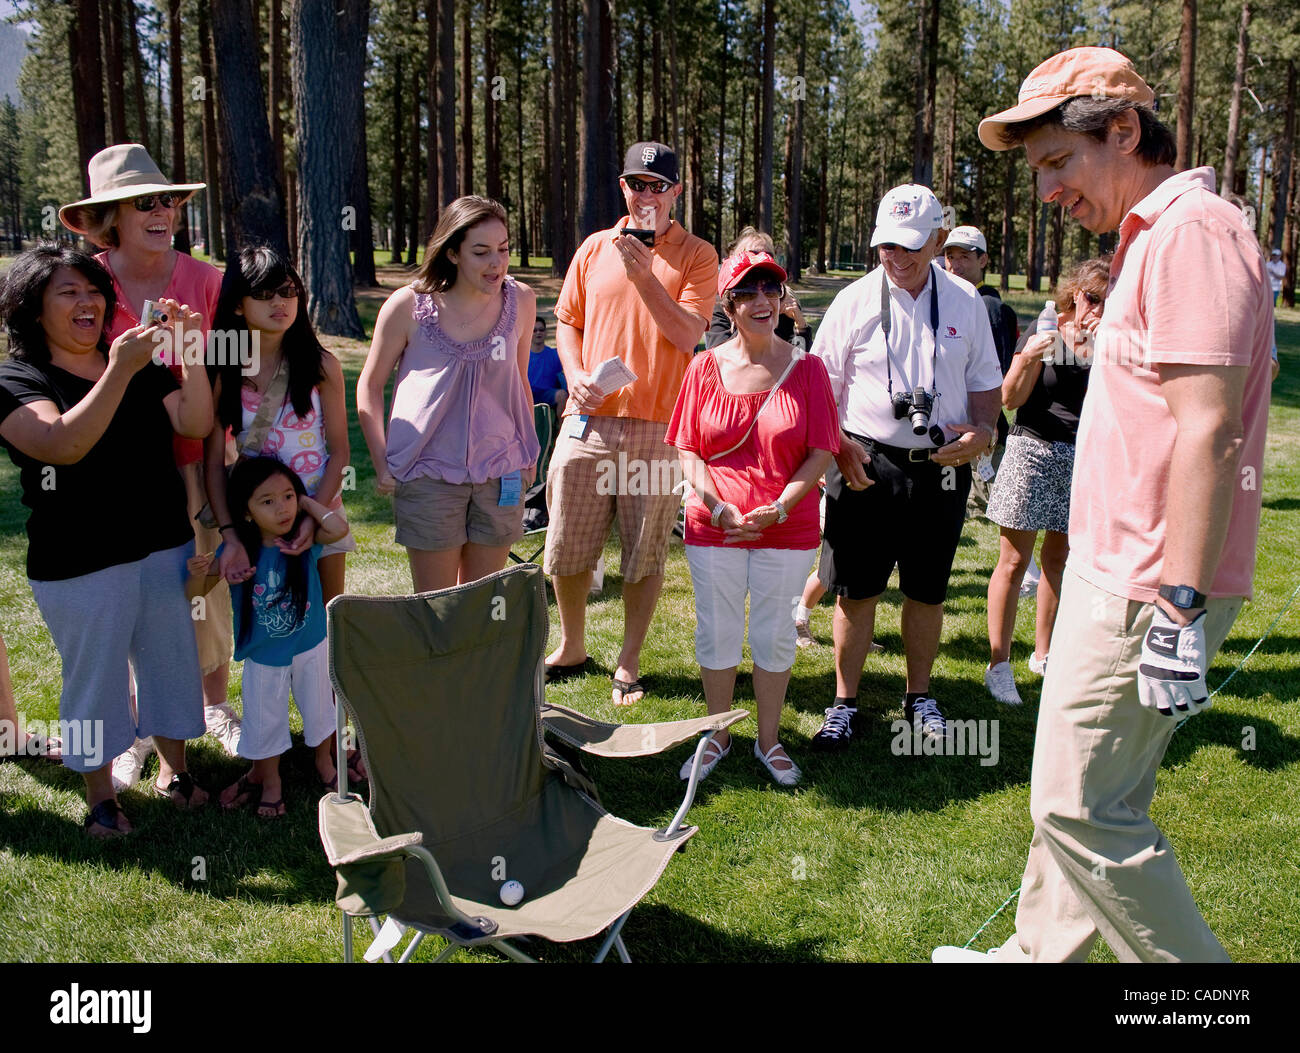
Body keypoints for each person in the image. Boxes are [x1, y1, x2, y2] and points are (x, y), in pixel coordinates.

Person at [935, 46, 1273, 963]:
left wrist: (1178, 608)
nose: (1046, 190)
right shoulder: (1153, 237)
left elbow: (1210, 430)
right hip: (1109, 563)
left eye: (1057, 163)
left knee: (1081, 808)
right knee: (1075, 795)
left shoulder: (1194, 231)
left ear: (1122, 131)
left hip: (1148, 581)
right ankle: (1036, 957)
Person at [0, 246, 212, 836]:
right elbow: (62, 445)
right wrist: (120, 368)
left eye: (94, 290)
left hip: (161, 544)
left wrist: (189, 353)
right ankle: (100, 796)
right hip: (79, 558)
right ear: (32, 309)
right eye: (68, 293)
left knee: (170, 663)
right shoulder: (19, 378)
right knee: (96, 678)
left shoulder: (138, 365)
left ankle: (177, 772)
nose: (87, 301)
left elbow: (194, 424)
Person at [58, 142, 240, 783]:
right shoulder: (84, 281)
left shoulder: (206, 281)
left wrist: (222, 447)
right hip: (114, 470)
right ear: (110, 216)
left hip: (194, 457)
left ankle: (212, 706)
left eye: (168, 199)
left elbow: (223, 373)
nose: (162, 210)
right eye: (145, 202)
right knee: (135, 597)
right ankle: (142, 728)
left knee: (198, 590)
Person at [809, 184, 1003, 749]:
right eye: (886, 246)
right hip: (864, 461)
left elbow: (985, 383)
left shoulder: (965, 301)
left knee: (928, 590)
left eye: (910, 246)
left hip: (942, 466)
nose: (896, 258)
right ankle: (845, 701)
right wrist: (840, 446)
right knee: (855, 590)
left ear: (939, 240)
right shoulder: (853, 301)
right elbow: (821, 388)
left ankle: (920, 696)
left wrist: (984, 433)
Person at [542, 142, 717, 707]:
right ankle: (571, 645)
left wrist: (645, 276)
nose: (646, 194)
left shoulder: (696, 254)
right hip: (588, 421)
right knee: (567, 543)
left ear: (675, 192)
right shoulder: (593, 248)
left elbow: (689, 335)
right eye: (636, 183)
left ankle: (629, 660)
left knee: (644, 553)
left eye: (657, 185)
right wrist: (574, 375)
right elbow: (567, 322)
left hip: (657, 428)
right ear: (623, 187)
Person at [666, 251, 838, 786]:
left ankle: (768, 740)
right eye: (748, 292)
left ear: (782, 301)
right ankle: (716, 734)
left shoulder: (807, 369)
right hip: (713, 524)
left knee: (774, 635)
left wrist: (781, 506)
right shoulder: (703, 366)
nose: (762, 301)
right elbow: (687, 449)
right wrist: (718, 506)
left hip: (785, 529)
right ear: (730, 304)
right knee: (716, 630)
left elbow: (822, 451)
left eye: (771, 290)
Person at [358, 195, 539, 592]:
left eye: (503, 249)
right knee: (437, 605)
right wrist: (381, 461)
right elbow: (369, 385)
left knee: (482, 603)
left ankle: (479, 658)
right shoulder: (408, 306)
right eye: (481, 252)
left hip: (501, 471)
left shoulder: (522, 301)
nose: (497, 263)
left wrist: (527, 453)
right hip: (428, 472)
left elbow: (519, 381)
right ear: (453, 253)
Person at [190, 457, 349, 819]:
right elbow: (193, 593)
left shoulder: (303, 539)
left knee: (321, 709)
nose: (283, 508)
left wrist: (308, 503)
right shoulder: (238, 553)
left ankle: (324, 760)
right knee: (265, 720)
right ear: (245, 512)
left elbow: (338, 529)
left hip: (311, 645)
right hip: (264, 655)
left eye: (289, 496)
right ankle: (270, 780)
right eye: (267, 501)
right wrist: (197, 574)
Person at [983, 256, 1108, 706]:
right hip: (1032, 449)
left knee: (1059, 560)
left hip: (1083, 457)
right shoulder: (1045, 329)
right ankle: (998, 665)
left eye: (1106, 301)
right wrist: (1029, 357)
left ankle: (1045, 654)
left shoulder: (1112, 343)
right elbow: (1009, 399)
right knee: (1014, 563)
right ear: (1074, 293)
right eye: (1091, 297)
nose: (1096, 308)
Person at [205, 246, 353, 605]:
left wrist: (313, 518)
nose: (280, 302)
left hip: (322, 510)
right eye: (263, 294)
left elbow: (340, 450)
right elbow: (211, 462)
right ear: (238, 304)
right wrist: (231, 536)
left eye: (289, 291)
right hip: (259, 522)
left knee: (328, 620)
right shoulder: (223, 366)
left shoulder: (321, 364)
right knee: (271, 626)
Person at [942, 224, 1021, 518]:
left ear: (983, 261)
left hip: (976, 424)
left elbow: (995, 372)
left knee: (976, 507)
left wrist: (987, 425)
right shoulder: (951, 300)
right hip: (952, 422)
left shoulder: (988, 306)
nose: (956, 265)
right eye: (950, 257)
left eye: (965, 257)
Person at [704, 227, 811, 351]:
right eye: (745, 294)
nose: (763, 301)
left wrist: (800, 325)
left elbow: (800, 358)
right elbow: (718, 360)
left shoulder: (783, 303)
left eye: (768, 255)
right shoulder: (720, 308)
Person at [527, 316, 567, 417]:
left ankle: (560, 429)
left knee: (562, 395)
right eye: (534, 330)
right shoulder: (522, 355)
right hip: (527, 393)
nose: (538, 333)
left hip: (547, 394)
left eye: (541, 330)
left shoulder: (554, 354)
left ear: (545, 332)